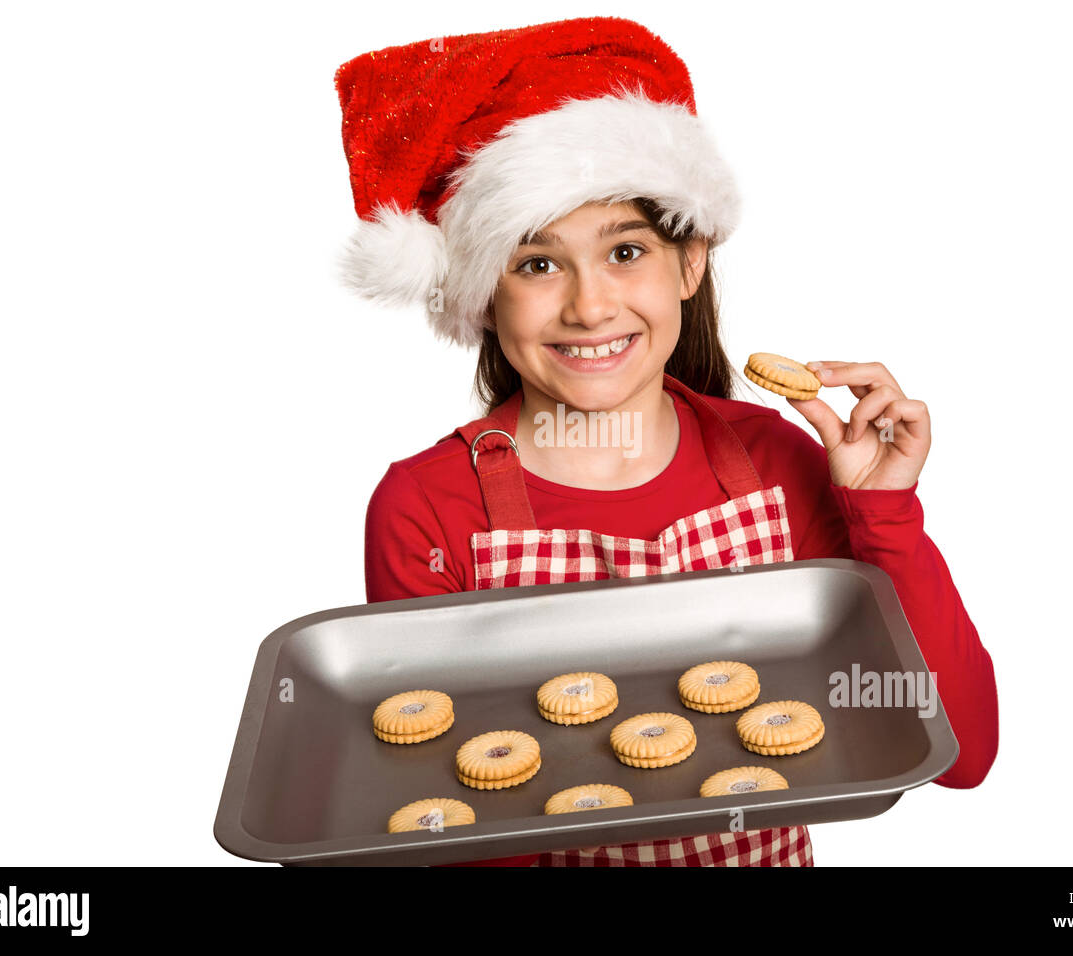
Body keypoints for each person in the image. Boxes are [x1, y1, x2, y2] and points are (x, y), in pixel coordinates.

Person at [336, 16, 998, 866]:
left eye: (625, 250)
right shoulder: (427, 508)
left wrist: (885, 515)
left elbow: (962, 752)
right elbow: (446, 814)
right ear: (481, 296)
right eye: (536, 263)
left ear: (690, 264)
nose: (589, 307)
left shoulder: (778, 464)